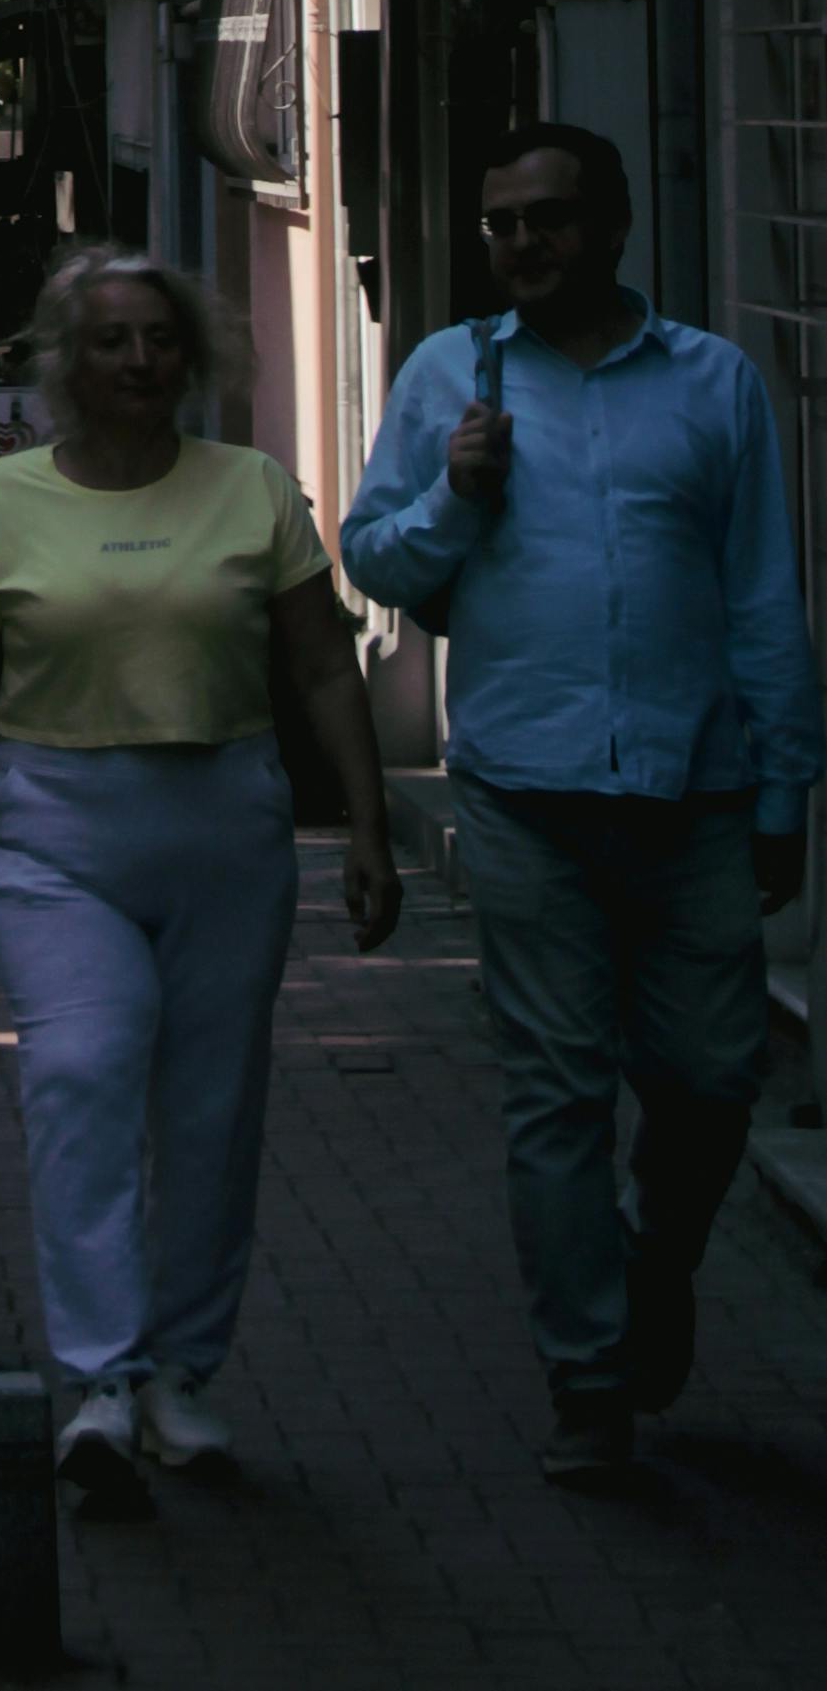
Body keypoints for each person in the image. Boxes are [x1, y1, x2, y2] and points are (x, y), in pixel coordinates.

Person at [343, 121, 822, 1487]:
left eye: (546, 218)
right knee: (554, 1095)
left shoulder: (712, 383)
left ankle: (653, 1260)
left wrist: (784, 786)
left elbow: (760, 594)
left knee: (711, 1079)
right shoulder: (451, 374)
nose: (520, 243)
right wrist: (456, 492)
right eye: (500, 222)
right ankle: (590, 1382)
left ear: (610, 227)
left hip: (697, 792)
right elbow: (372, 552)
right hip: (523, 795)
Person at [0, 244, 398, 1501]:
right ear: (66, 360)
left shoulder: (254, 491)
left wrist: (372, 830)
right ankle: (101, 1377)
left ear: (191, 356)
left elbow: (325, 665)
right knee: (80, 1071)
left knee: (213, 1109)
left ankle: (183, 1372)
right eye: (108, 340)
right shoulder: (7, 501)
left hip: (225, 819)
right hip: (59, 825)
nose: (135, 360)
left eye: (157, 339)